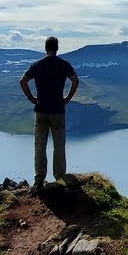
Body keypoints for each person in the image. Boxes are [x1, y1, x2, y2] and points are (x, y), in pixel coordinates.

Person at [19, 36, 79, 192]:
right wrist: (68, 98)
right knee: (59, 146)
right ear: (57, 48)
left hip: (41, 111)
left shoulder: (37, 65)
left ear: (45, 48)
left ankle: (39, 180)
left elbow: (22, 81)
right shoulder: (64, 65)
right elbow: (75, 80)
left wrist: (31, 98)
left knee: (40, 145)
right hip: (58, 110)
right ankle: (60, 178)